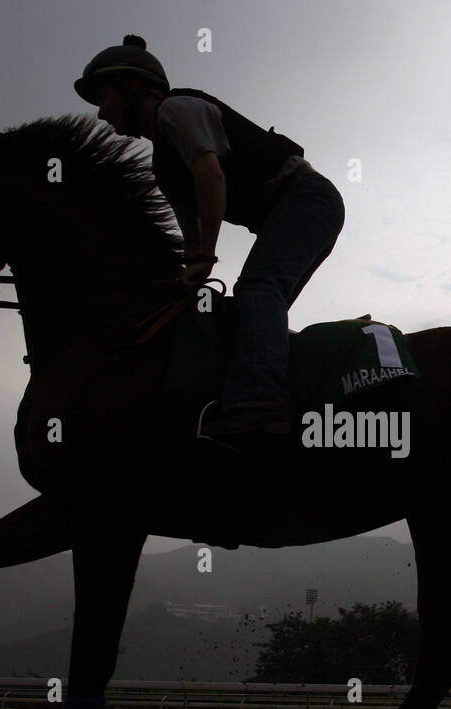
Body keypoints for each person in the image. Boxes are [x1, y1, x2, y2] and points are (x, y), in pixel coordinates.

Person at [75, 35, 345, 444]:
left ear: (133, 88)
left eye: (103, 99)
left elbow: (211, 177)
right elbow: (191, 225)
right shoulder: (162, 163)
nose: (101, 114)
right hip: (291, 211)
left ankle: (258, 406)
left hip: (308, 200)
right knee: (249, 314)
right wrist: (191, 269)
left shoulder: (177, 111)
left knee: (259, 287)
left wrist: (205, 255)